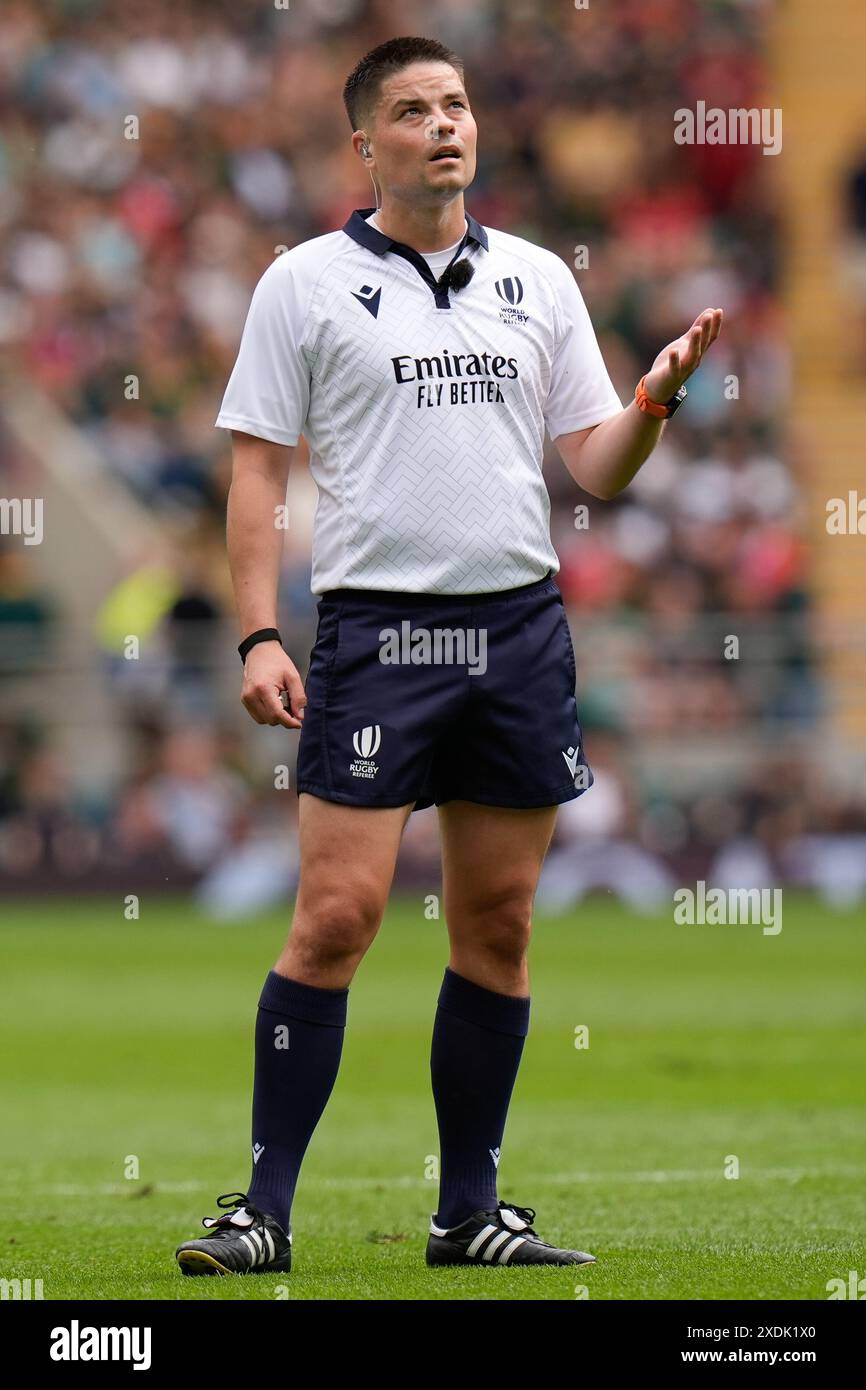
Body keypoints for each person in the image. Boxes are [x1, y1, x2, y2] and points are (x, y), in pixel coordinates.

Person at [174, 35, 722, 1276]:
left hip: (516, 629)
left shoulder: (534, 277)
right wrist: (260, 629)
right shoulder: (301, 284)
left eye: (457, 105)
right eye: (414, 111)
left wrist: (650, 406)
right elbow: (258, 468)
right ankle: (260, 1211)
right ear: (366, 143)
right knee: (334, 918)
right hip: (377, 635)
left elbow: (589, 463)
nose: (445, 126)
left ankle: (466, 1211)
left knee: (500, 924)